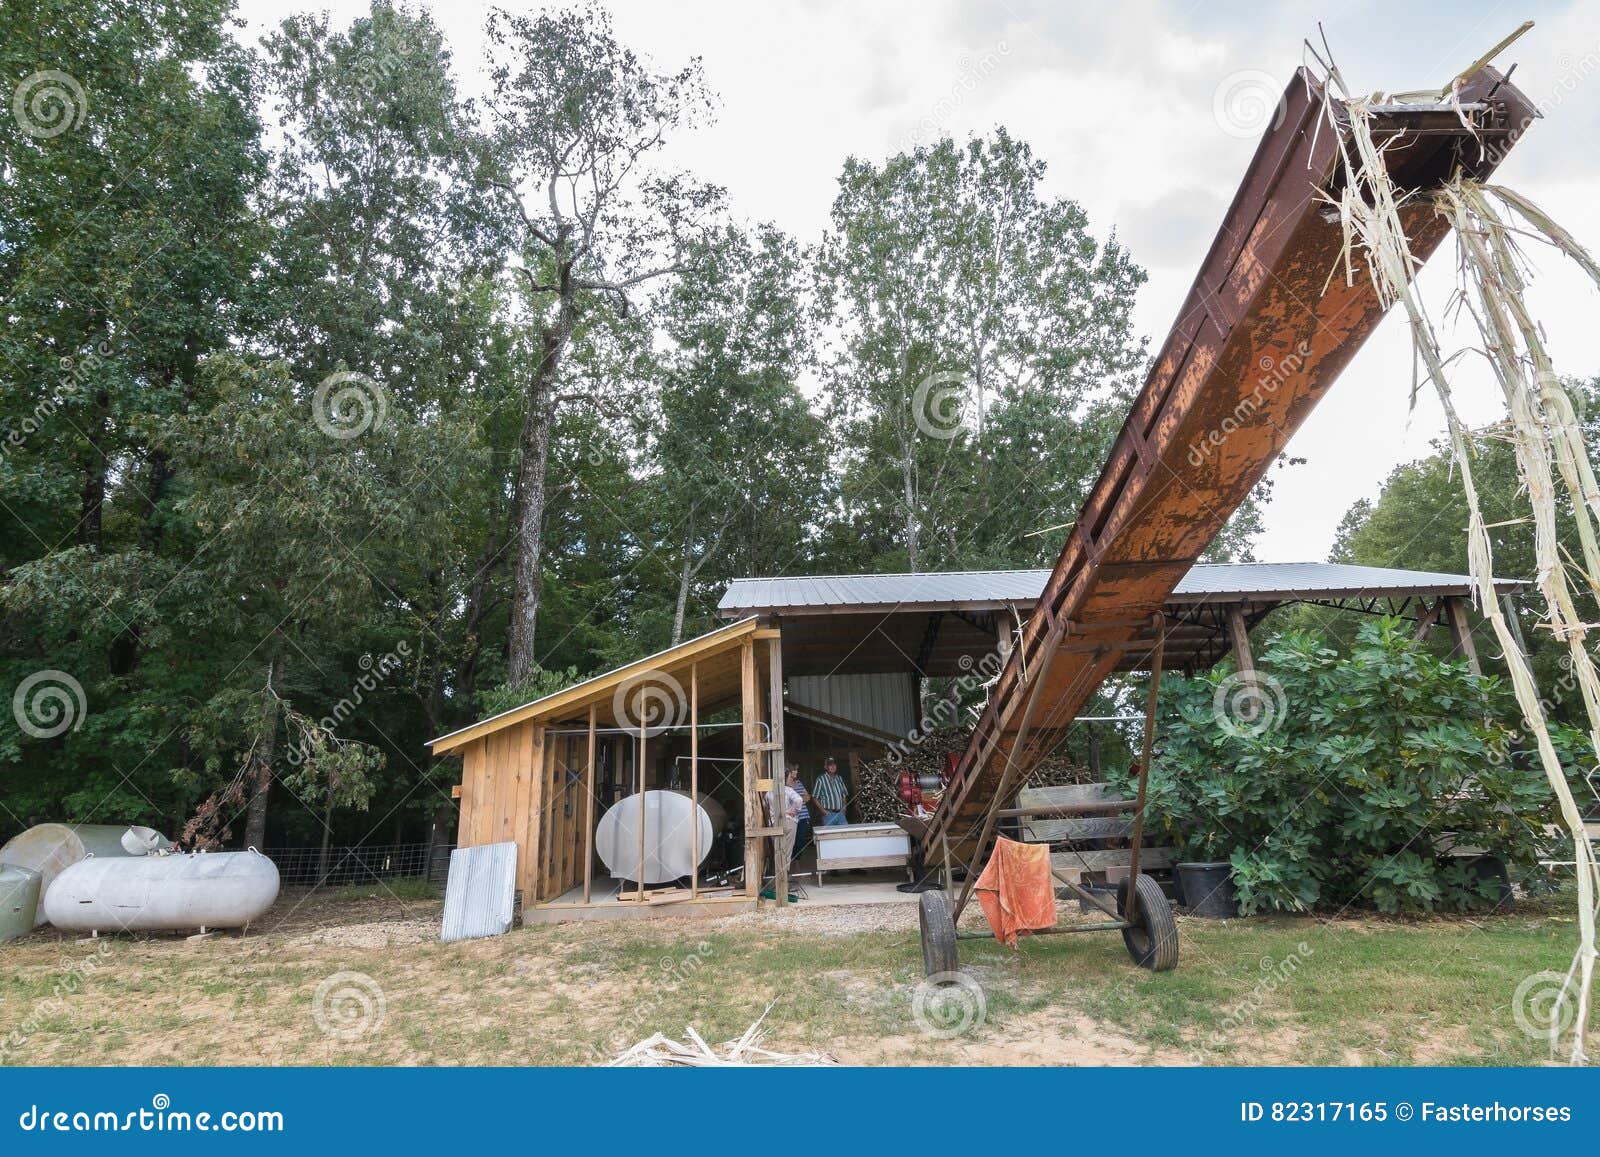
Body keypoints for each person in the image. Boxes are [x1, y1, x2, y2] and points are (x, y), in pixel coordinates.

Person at [786, 764, 813, 860]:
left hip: (804, 815)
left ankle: (797, 860)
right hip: (792, 817)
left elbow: (808, 797)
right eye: (794, 770)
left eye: (797, 770)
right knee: (793, 840)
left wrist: (798, 801)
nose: (796, 772)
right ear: (789, 772)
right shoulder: (784, 786)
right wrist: (800, 800)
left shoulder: (798, 782)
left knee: (801, 839)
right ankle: (792, 861)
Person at [813, 756, 849, 826]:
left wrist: (844, 807)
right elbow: (815, 797)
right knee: (829, 835)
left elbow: (844, 795)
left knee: (845, 834)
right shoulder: (820, 779)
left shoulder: (839, 778)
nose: (832, 767)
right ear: (825, 767)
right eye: (830, 765)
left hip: (840, 814)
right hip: (828, 815)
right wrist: (823, 811)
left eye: (834, 765)